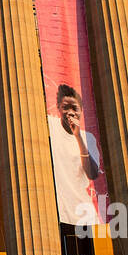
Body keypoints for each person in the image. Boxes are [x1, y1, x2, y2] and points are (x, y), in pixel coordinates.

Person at [48, 84, 104, 225]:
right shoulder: (50, 125)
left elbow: (92, 174)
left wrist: (78, 136)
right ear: (58, 108)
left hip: (83, 210)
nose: (70, 112)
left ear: (81, 110)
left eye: (75, 108)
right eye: (66, 107)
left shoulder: (88, 138)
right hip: (56, 204)